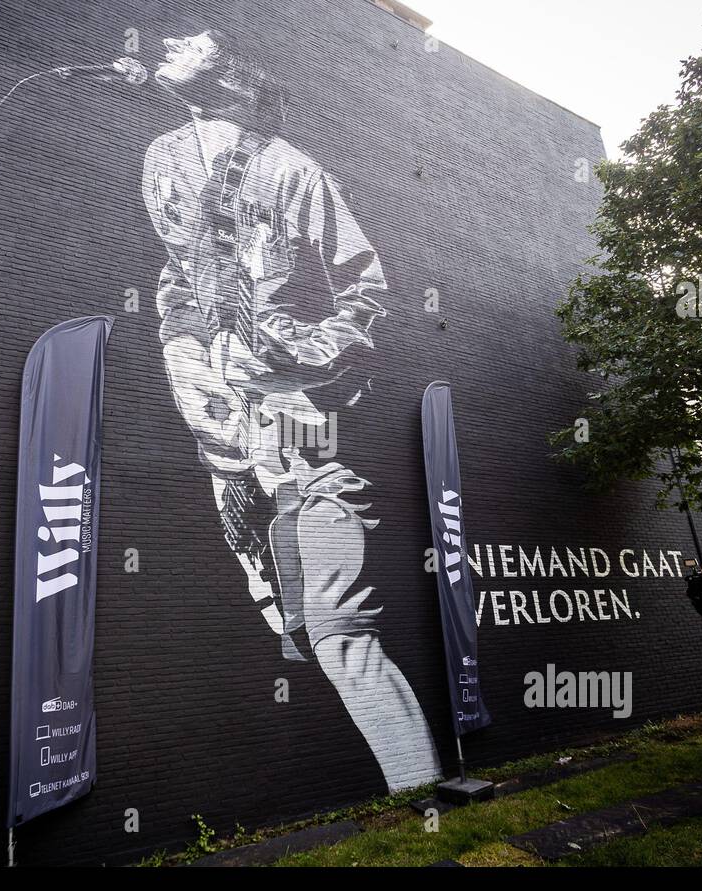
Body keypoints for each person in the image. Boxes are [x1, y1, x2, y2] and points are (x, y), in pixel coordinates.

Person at [140, 29, 442, 791]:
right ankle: (290, 608)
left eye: (195, 39)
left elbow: (367, 296)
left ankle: (424, 796)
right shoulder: (162, 159)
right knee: (288, 622)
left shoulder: (293, 171)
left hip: (298, 429)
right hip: (223, 437)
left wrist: (294, 351)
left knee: (340, 633)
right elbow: (177, 277)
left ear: (236, 77)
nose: (173, 38)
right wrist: (181, 354)